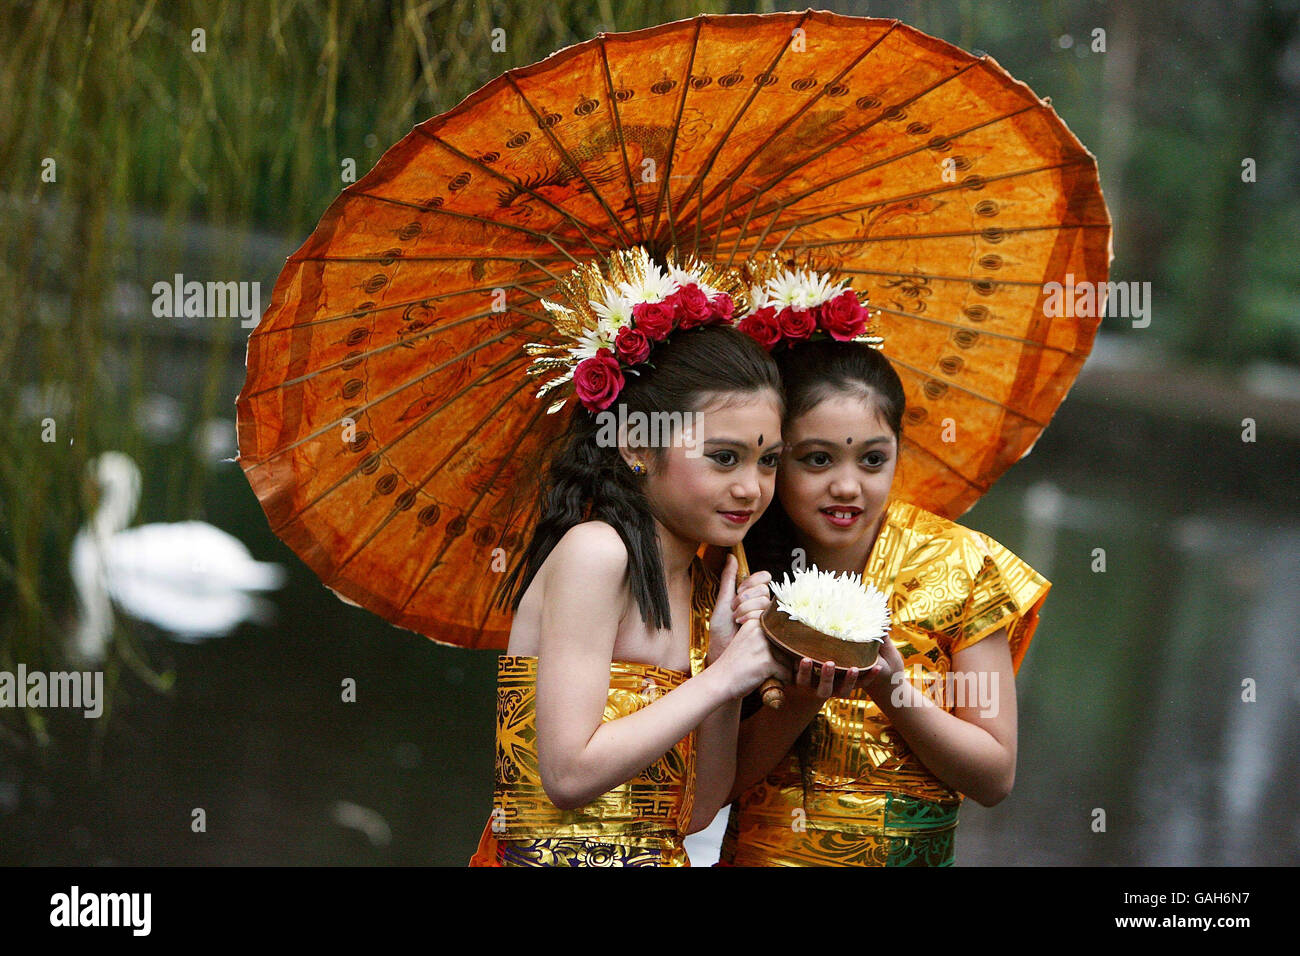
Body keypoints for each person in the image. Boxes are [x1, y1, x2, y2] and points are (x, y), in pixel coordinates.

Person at [468, 316, 791, 867]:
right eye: (724, 457)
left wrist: (723, 664)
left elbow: (696, 813)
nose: (751, 488)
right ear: (636, 445)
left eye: (769, 461)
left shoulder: (707, 588)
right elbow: (568, 776)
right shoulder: (596, 553)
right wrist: (721, 679)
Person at [721, 335, 1052, 867]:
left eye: (872, 459)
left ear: (900, 449)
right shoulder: (735, 573)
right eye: (818, 460)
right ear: (775, 458)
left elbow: (994, 775)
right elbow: (714, 789)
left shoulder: (963, 567)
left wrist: (892, 689)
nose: (848, 486)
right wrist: (802, 698)